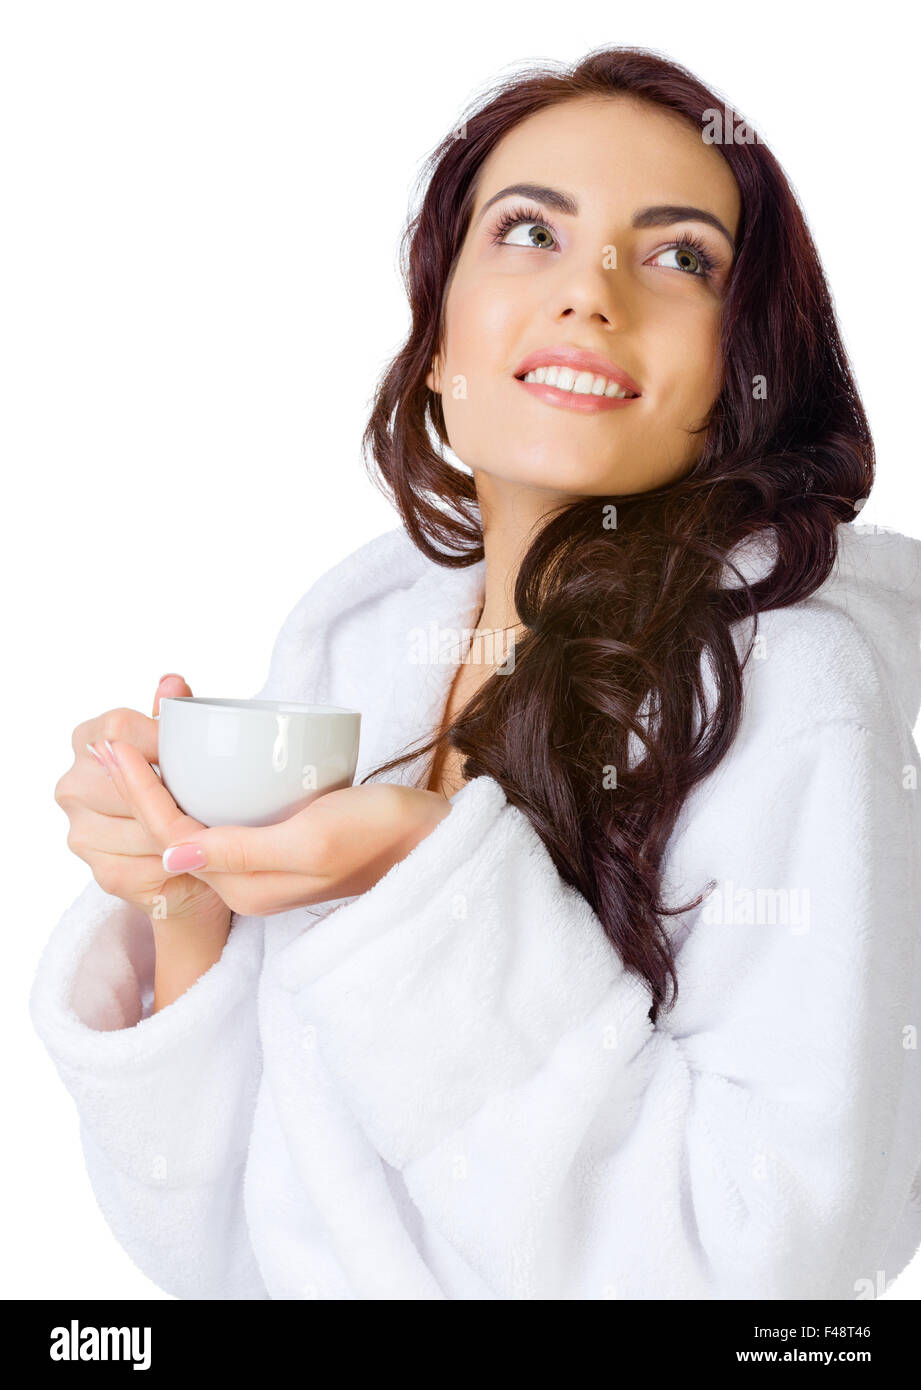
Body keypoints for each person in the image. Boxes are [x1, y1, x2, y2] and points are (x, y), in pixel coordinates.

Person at [31, 47, 921, 1300]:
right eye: (528, 231)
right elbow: (232, 1244)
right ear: (440, 342)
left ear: (739, 377)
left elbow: (761, 1274)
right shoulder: (351, 647)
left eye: (679, 257)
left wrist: (426, 886)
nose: (592, 291)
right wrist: (185, 888)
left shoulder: (789, 693)